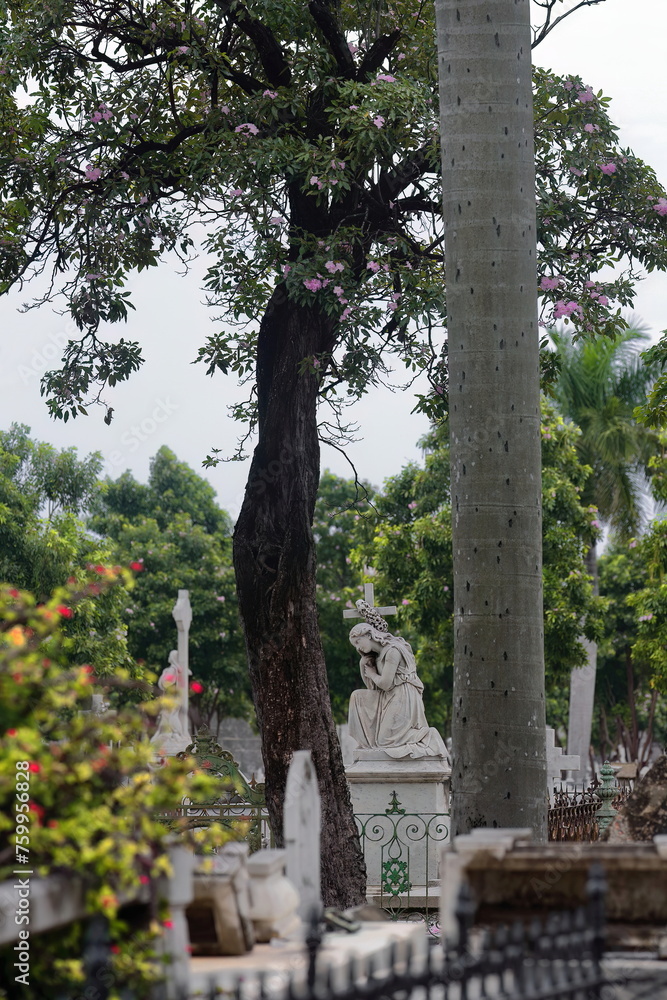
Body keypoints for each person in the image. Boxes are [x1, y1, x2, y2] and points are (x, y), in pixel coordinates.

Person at [347, 621, 447, 759]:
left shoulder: (393, 651)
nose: (358, 647)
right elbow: (373, 687)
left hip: (403, 696)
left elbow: (386, 684)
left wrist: (372, 674)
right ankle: (367, 744)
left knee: (385, 740)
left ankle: (427, 735)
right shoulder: (378, 656)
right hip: (388, 695)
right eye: (355, 645)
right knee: (357, 696)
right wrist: (363, 664)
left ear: (369, 635)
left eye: (358, 642)